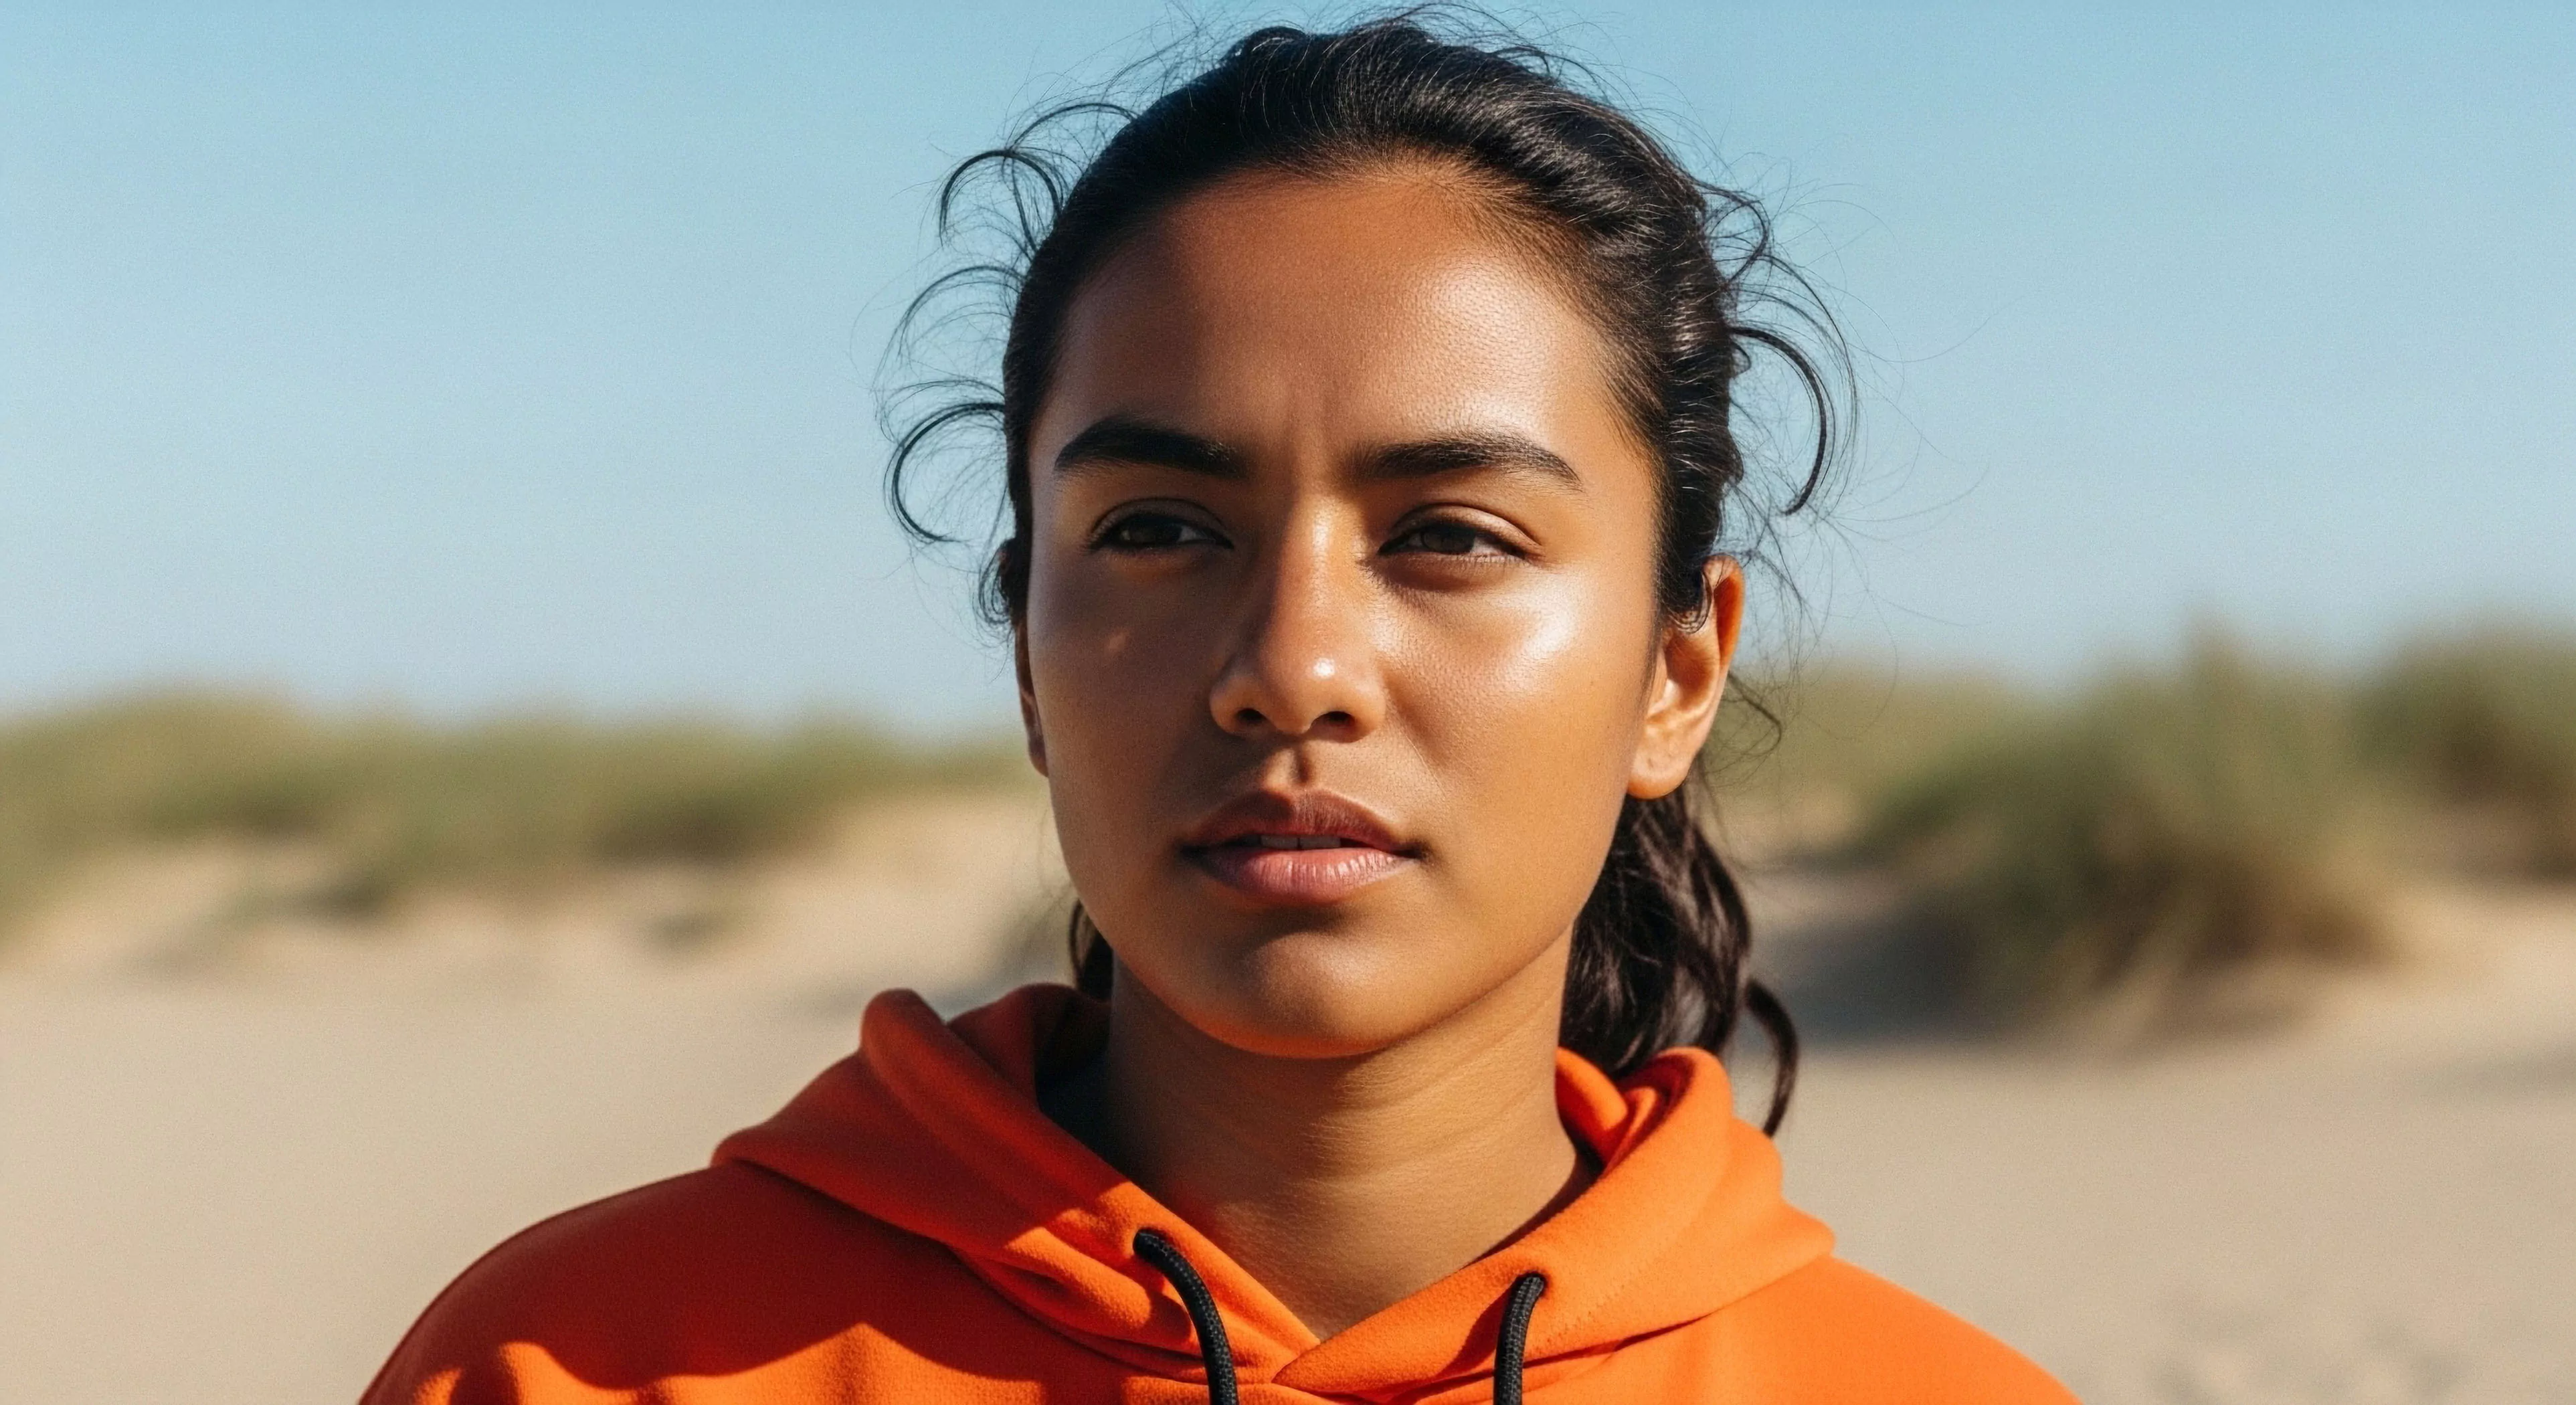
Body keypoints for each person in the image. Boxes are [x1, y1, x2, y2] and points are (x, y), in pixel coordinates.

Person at [365, 18, 2075, 1403]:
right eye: (1160, 532)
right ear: (1029, 651)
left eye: (1450, 537)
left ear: (1674, 671)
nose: (1293, 667)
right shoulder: (584, 1366)